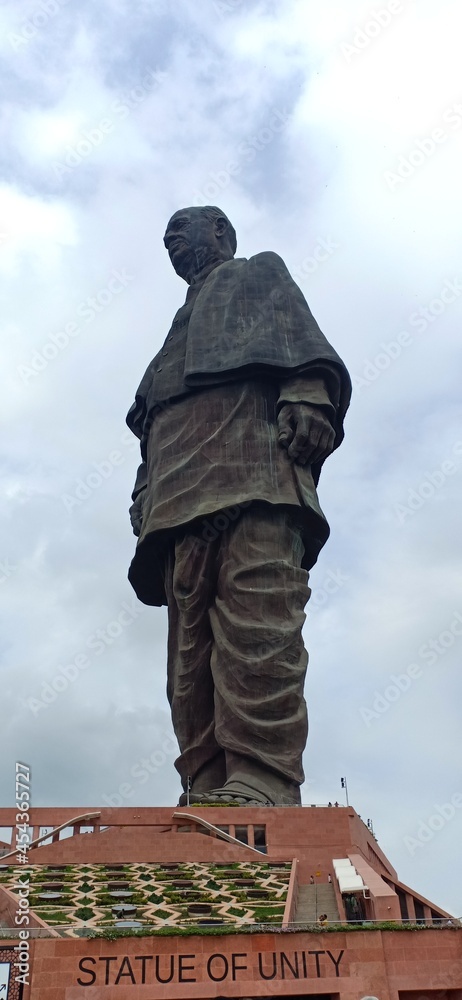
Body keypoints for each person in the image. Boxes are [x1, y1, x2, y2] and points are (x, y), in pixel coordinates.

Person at [127, 206, 351, 807]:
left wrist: (308, 393)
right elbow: (151, 423)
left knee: (257, 616)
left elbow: (301, 345)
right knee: (189, 648)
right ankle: (205, 779)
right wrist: (144, 490)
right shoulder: (170, 335)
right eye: (165, 235)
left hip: (254, 474)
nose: (171, 238)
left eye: (182, 227)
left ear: (221, 232)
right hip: (178, 492)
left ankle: (262, 775)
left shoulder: (257, 273)